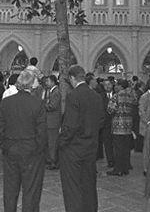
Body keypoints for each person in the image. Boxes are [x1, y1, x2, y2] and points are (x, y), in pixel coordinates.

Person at [0, 69, 47, 212]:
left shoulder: (6, 102)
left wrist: (4, 145)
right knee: (31, 190)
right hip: (31, 151)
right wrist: (38, 148)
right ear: (31, 85)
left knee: (10, 189)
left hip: (11, 149)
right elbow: (41, 131)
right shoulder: (37, 103)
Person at [59, 65, 104, 212]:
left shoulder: (73, 95)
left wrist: (62, 142)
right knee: (89, 184)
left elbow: (70, 125)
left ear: (72, 78)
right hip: (91, 147)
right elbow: (102, 120)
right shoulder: (96, 96)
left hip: (74, 149)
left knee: (72, 187)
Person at [107, 78, 136, 176]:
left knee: (118, 149)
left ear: (120, 86)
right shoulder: (130, 96)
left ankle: (118, 169)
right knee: (126, 149)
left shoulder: (116, 96)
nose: (115, 87)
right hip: (128, 126)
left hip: (118, 126)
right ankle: (125, 168)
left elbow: (110, 109)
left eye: (116, 85)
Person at [43, 74, 62, 170]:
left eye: (48, 81)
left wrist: (42, 105)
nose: (46, 83)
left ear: (53, 82)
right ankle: (50, 159)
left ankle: (53, 161)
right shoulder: (50, 91)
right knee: (49, 142)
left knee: (52, 142)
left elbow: (52, 106)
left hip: (53, 122)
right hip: (49, 121)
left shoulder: (56, 92)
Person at [100, 78, 115, 167]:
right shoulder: (100, 96)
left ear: (112, 85)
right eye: (105, 85)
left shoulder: (117, 95)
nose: (107, 86)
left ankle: (117, 160)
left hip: (116, 123)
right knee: (107, 144)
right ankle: (110, 161)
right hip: (105, 124)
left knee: (116, 144)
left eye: (108, 84)